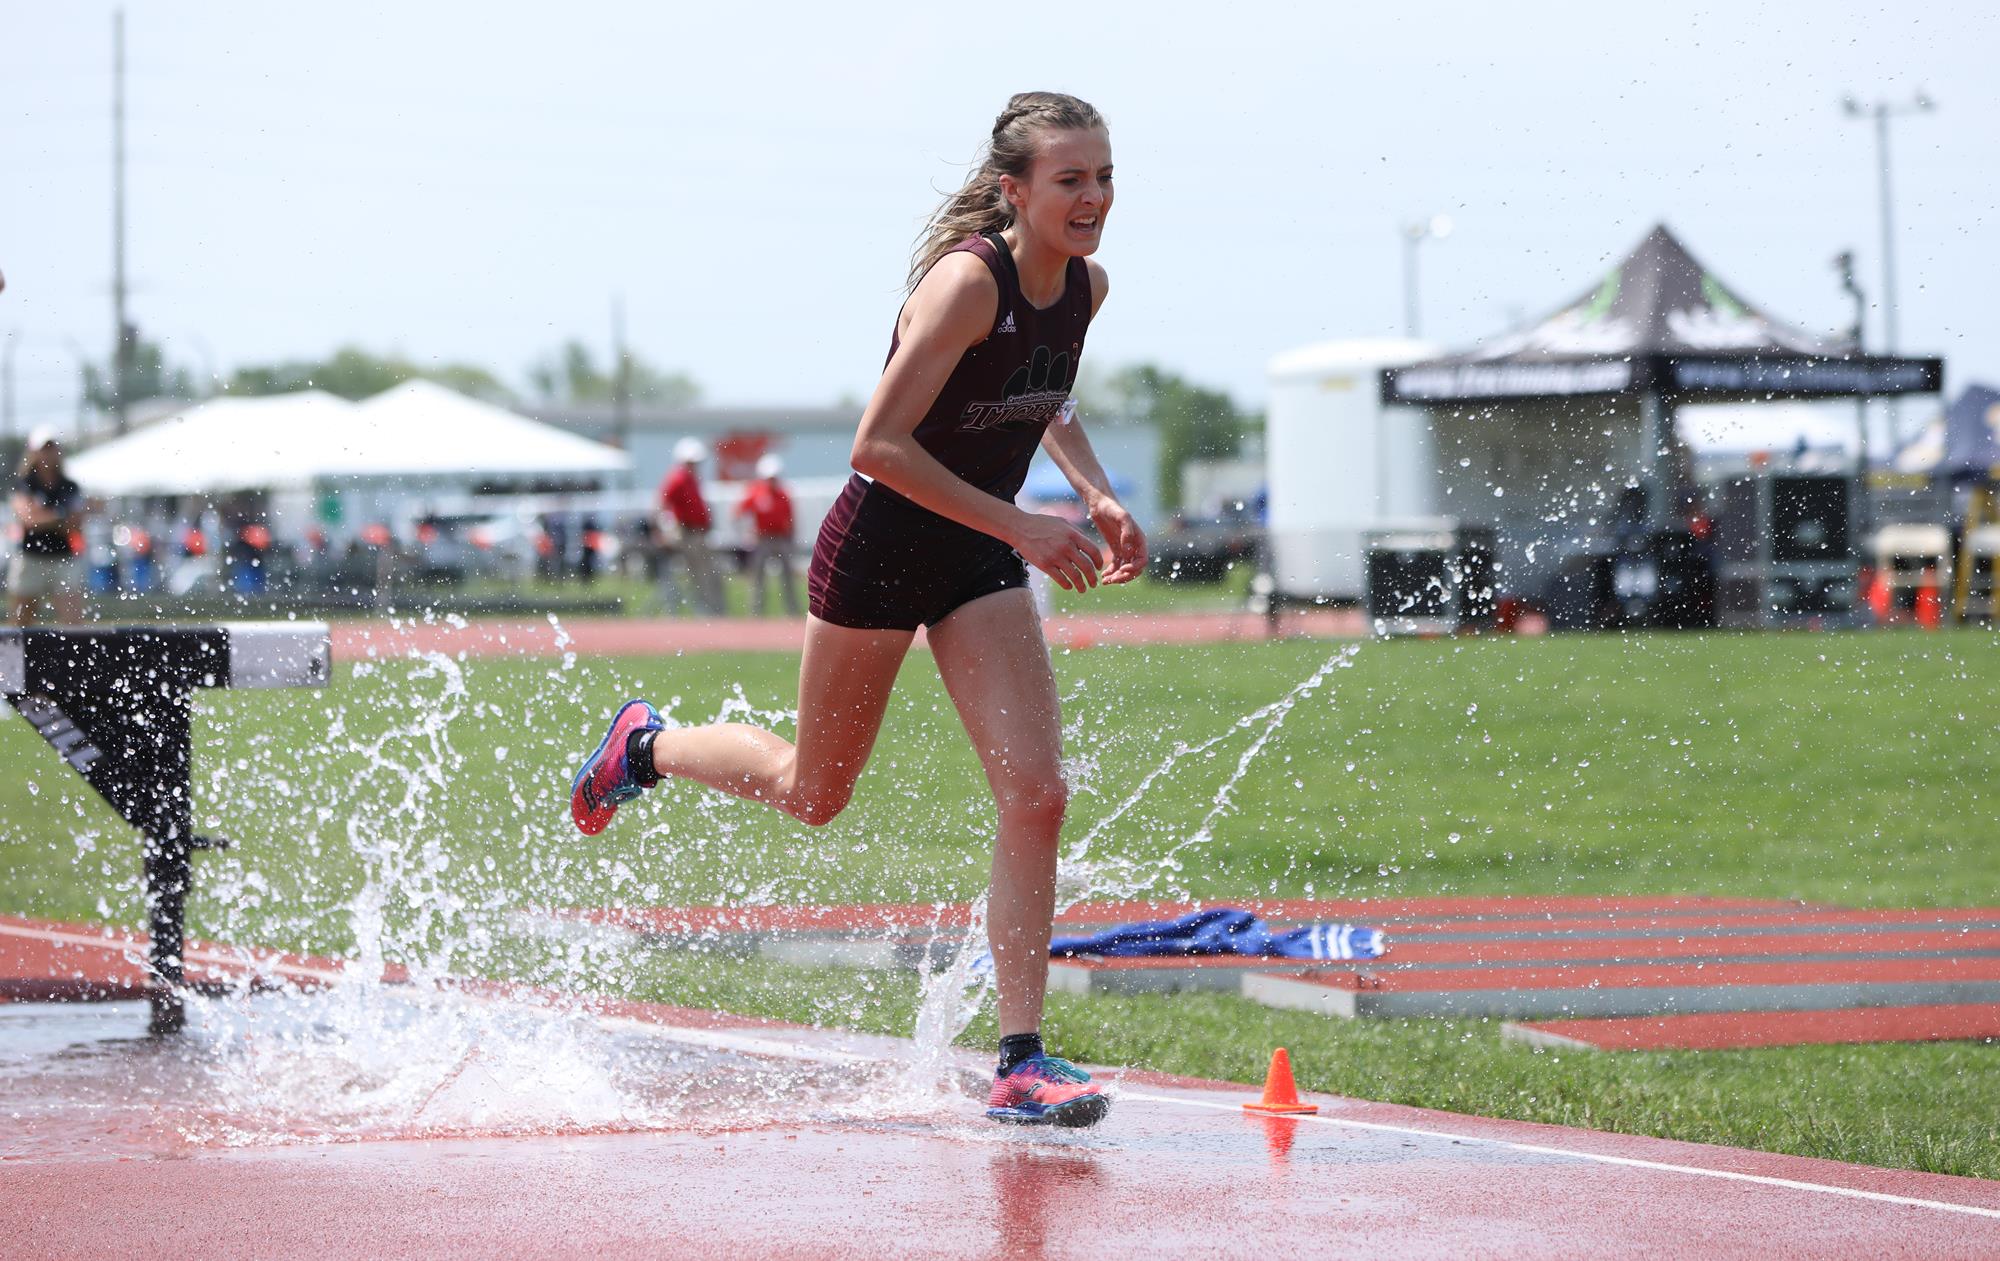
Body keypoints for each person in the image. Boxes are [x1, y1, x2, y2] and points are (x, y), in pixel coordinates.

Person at [570, 92, 1141, 1128]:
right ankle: (644, 747)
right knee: (814, 789)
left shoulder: (1085, 288)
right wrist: (1024, 526)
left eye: (1103, 176)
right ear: (1014, 190)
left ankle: (1019, 1060)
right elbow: (875, 446)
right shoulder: (967, 283)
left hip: (976, 554)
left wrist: (1094, 492)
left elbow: (1045, 395)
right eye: (1070, 178)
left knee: (1037, 792)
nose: (1093, 196)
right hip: (881, 549)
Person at [9, 428, 87, 626]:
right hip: (31, 557)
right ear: (34, 452)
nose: (48, 454)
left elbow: (76, 525)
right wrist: (60, 516)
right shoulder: (25, 484)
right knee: (21, 622)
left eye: (52, 448)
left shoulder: (69, 486)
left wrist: (43, 516)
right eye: (44, 449)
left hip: (62, 557)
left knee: (73, 623)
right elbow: (28, 520)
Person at [658, 437, 724, 615]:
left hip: (697, 532)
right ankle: (706, 610)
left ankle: (710, 609)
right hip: (688, 532)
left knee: (706, 572)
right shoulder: (678, 479)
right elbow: (662, 503)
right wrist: (664, 529)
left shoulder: (690, 479)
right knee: (701, 573)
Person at [735, 454, 803, 616]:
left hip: (781, 538)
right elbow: (739, 513)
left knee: (787, 576)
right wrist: (746, 533)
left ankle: (792, 610)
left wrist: (792, 540)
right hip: (762, 539)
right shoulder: (755, 493)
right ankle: (756, 611)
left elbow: (791, 519)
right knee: (758, 576)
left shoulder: (783, 494)